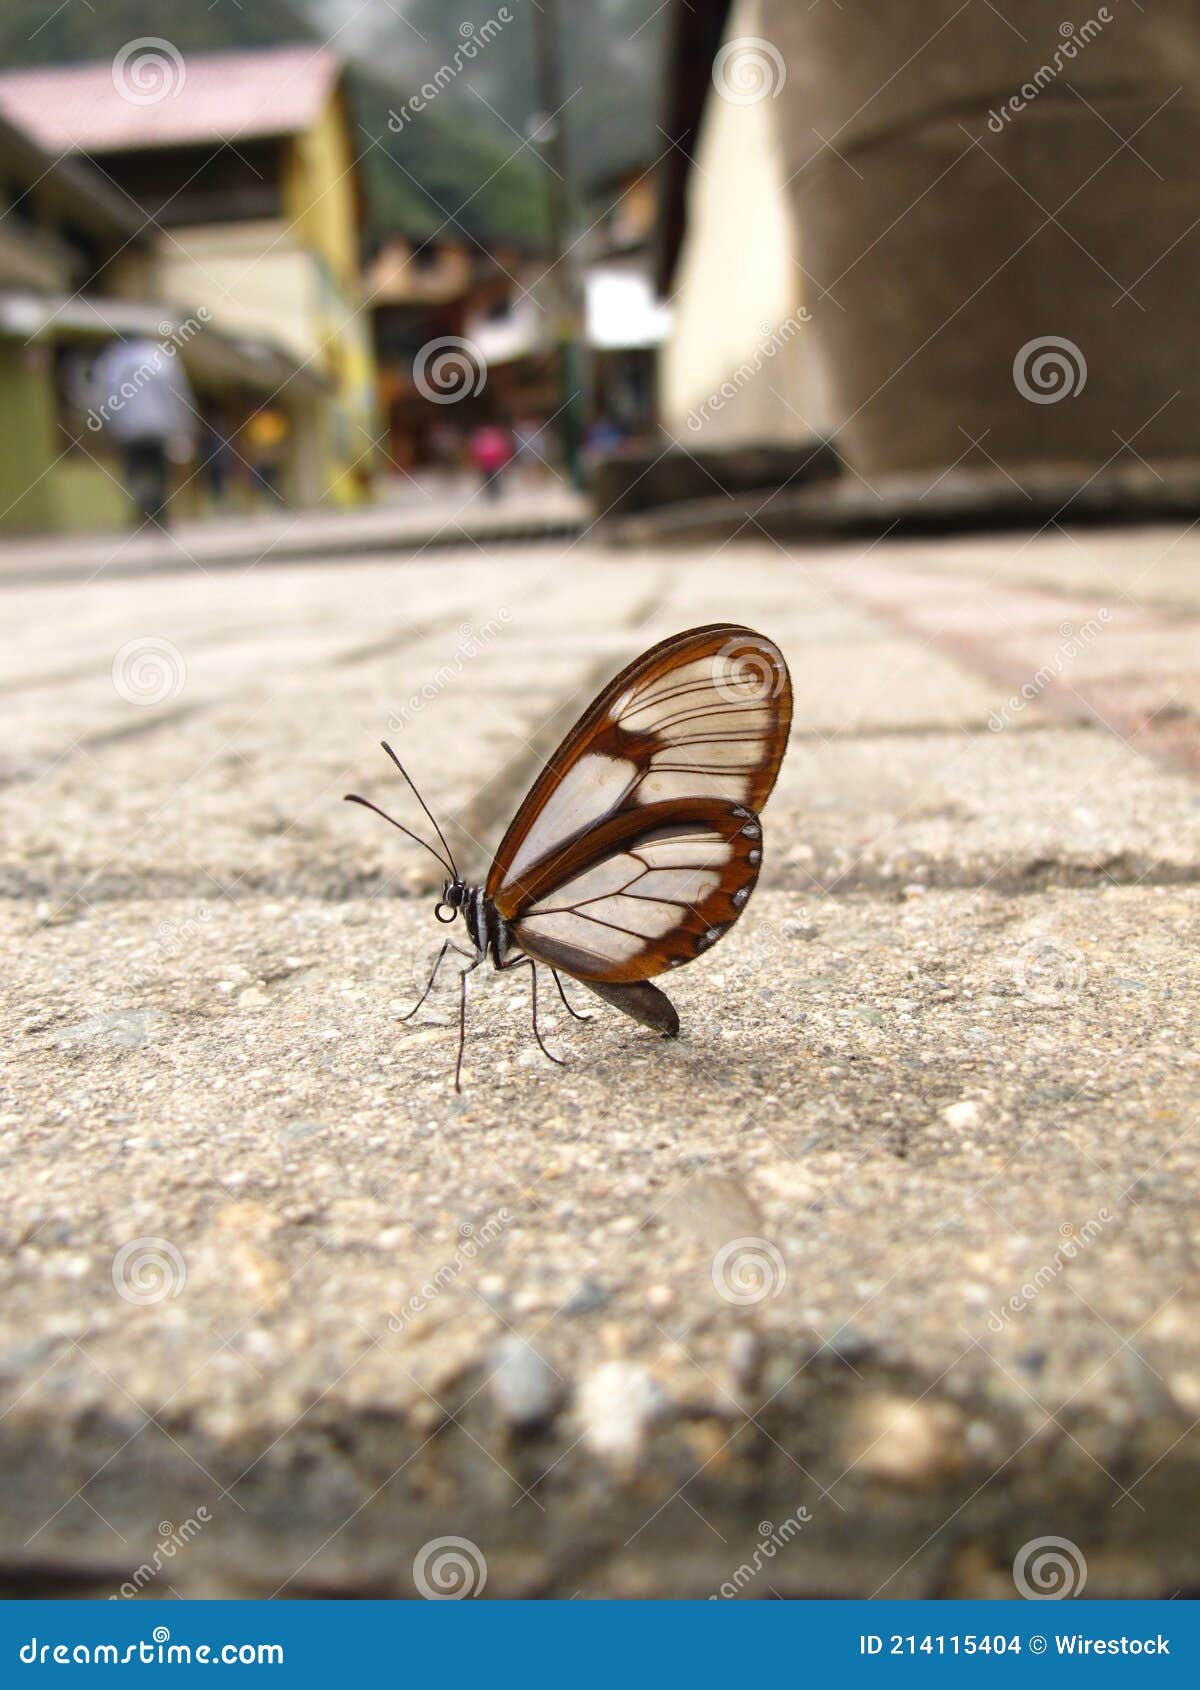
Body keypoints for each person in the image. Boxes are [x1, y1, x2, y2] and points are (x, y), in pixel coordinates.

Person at [90, 335, 196, 527]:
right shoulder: (163, 358)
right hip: (160, 426)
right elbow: (178, 394)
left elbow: (104, 395)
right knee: (158, 470)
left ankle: (143, 511)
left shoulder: (115, 359)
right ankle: (157, 511)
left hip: (128, 427)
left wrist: (107, 424)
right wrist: (184, 426)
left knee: (136, 470)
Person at [469, 422, 513, 501]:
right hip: (486, 464)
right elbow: (476, 452)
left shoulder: (494, 440)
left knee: (495, 479)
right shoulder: (482, 441)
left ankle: (496, 493)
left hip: (493, 463)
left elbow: (502, 450)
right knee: (488, 479)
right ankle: (490, 494)